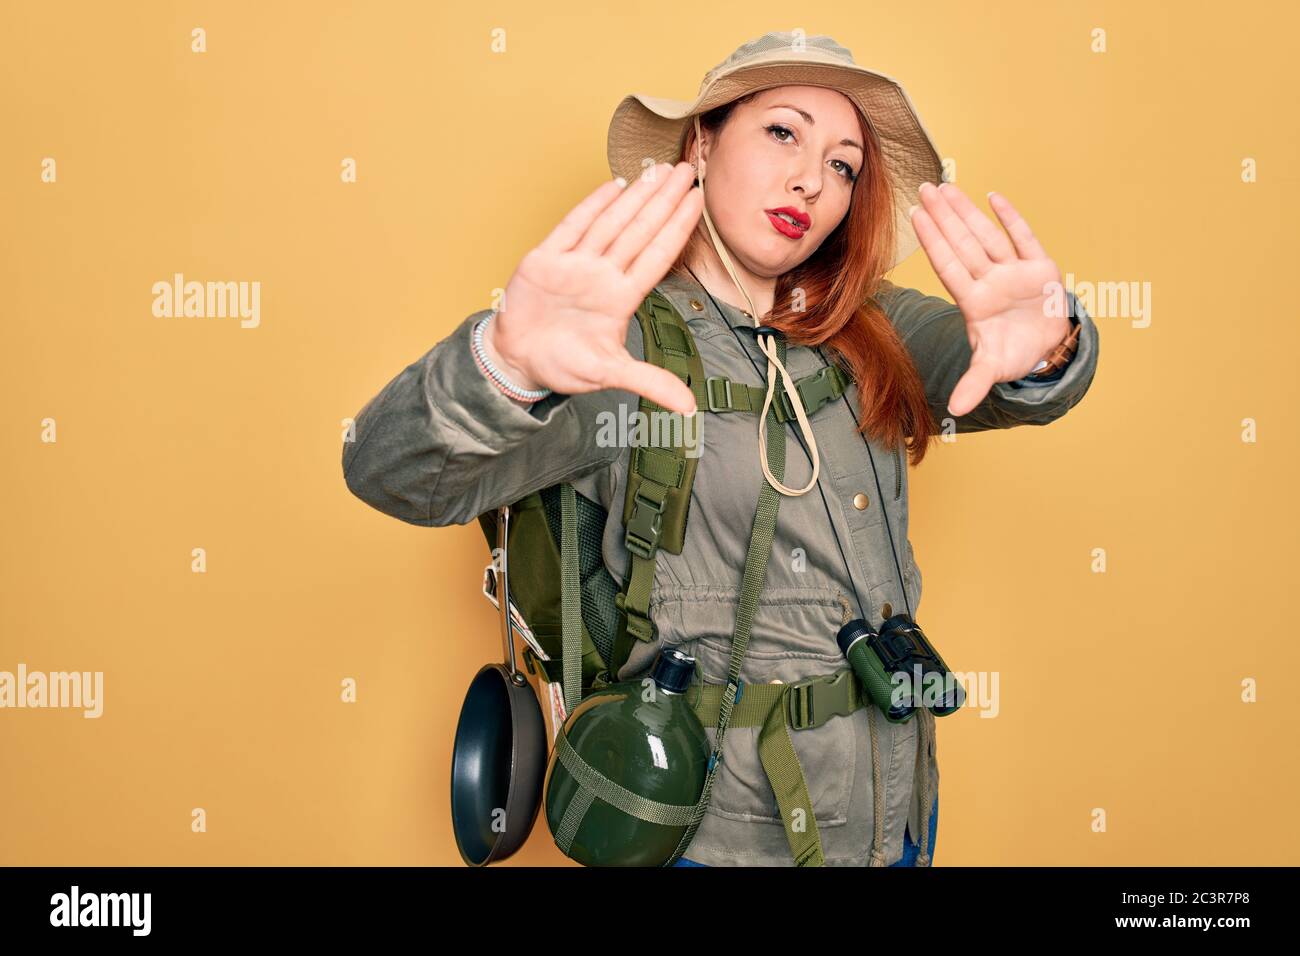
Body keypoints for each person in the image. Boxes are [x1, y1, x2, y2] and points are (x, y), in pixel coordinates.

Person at [342, 31, 1099, 866]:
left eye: (844, 165)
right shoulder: (610, 345)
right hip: (716, 838)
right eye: (783, 132)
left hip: (897, 821)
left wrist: (1049, 349)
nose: (813, 179)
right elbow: (391, 473)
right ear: (701, 142)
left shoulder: (871, 330)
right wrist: (505, 366)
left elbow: (1002, 374)